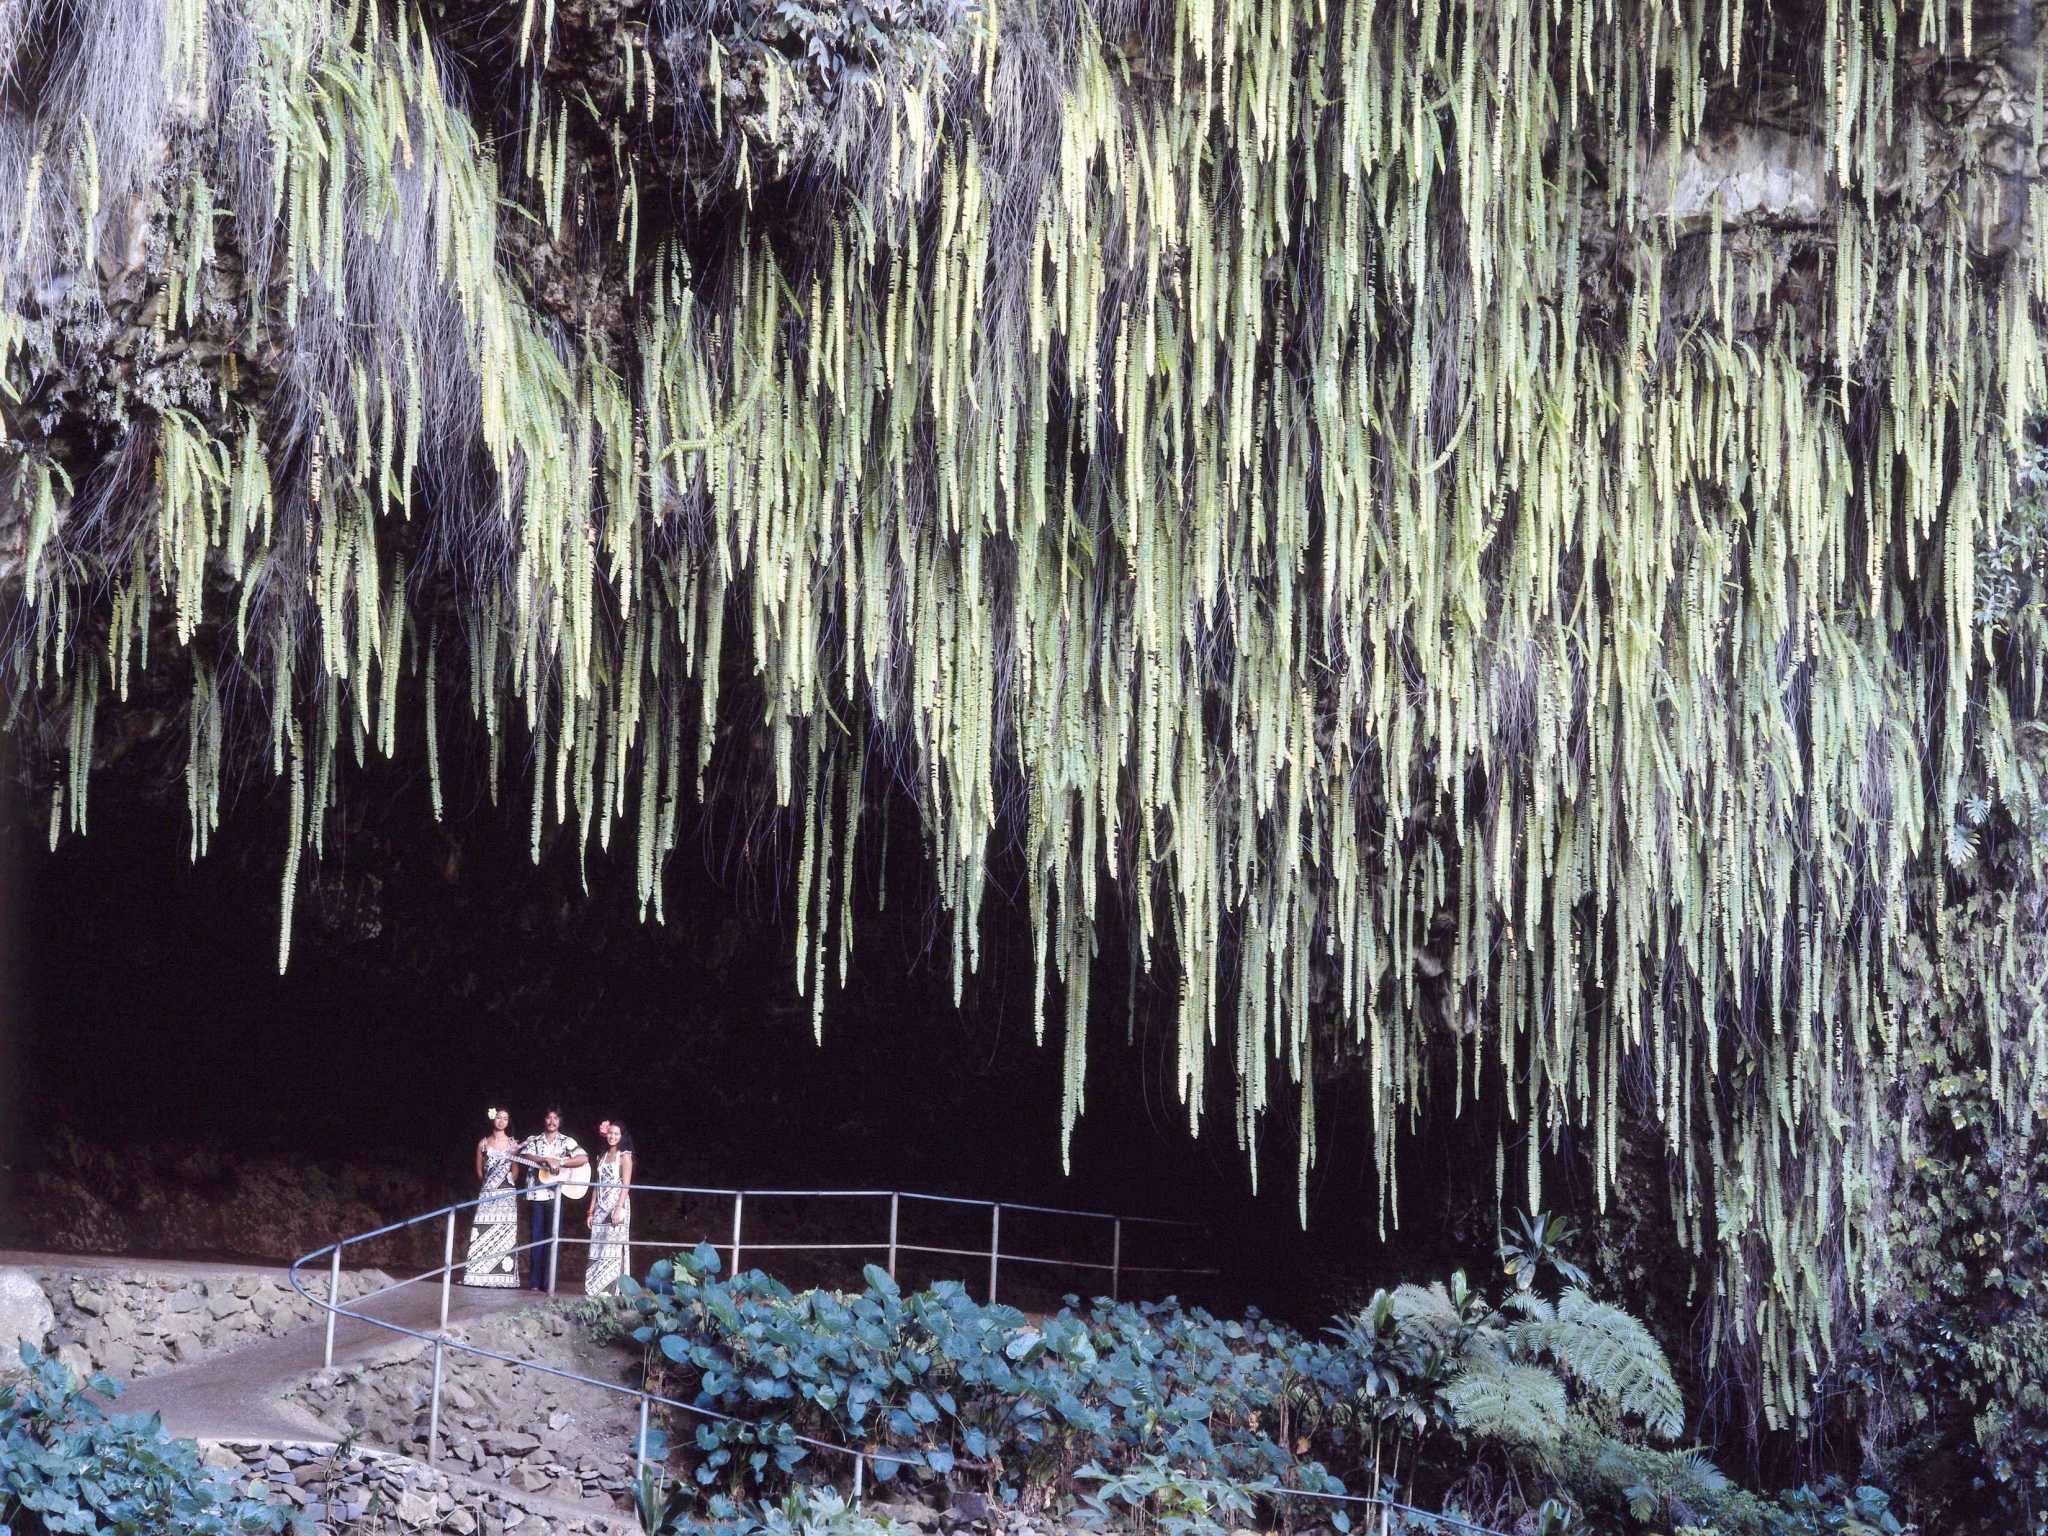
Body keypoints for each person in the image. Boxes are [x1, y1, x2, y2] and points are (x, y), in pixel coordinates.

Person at [516, 1107, 587, 1292]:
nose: (552, 1121)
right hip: (536, 1196)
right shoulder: (535, 1140)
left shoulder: (567, 1141)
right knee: (536, 1238)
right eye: (549, 1117)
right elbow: (528, 1155)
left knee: (552, 1238)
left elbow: (583, 1158)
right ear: (544, 1120)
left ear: (560, 1121)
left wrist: (561, 1162)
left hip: (556, 1196)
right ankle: (534, 1283)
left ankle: (549, 1283)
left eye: (556, 1118)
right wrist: (545, 1161)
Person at [461, 1106, 521, 1288]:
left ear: (508, 1122)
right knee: (482, 1230)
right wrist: (490, 1185)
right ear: (493, 1119)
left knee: (504, 1234)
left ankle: (503, 1277)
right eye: (499, 1117)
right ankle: (477, 1275)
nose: (501, 1121)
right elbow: (479, 1170)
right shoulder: (483, 1143)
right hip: (488, 1192)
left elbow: (515, 1170)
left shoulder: (512, 1143)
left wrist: (505, 1185)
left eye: (505, 1118)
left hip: (506, 1193)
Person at [584, 1119, 634, 1296]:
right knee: (597, 1246)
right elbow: (596, 1186)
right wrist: (590, 1210)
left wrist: (619, 1207)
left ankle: (611, 1289)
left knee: (612, 1247)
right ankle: (595, 1286)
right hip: (600, 1205)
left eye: (616, 1134)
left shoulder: (624, 1156)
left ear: (621, 1136)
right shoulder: (601, 1156)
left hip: (616, 1204)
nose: (612, 1136)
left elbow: (626, 1185)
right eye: (610, 1133)